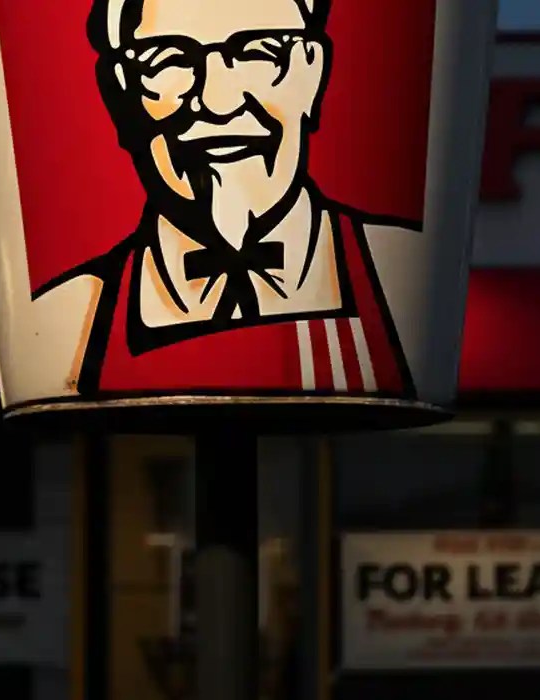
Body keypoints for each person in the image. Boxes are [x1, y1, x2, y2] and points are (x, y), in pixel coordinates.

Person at [35, 0, 421, 400]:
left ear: (312, 74)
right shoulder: (67, 320)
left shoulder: (403, 277)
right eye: (169, 59)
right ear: (122, 94)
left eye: (259, 52)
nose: (220, 102)